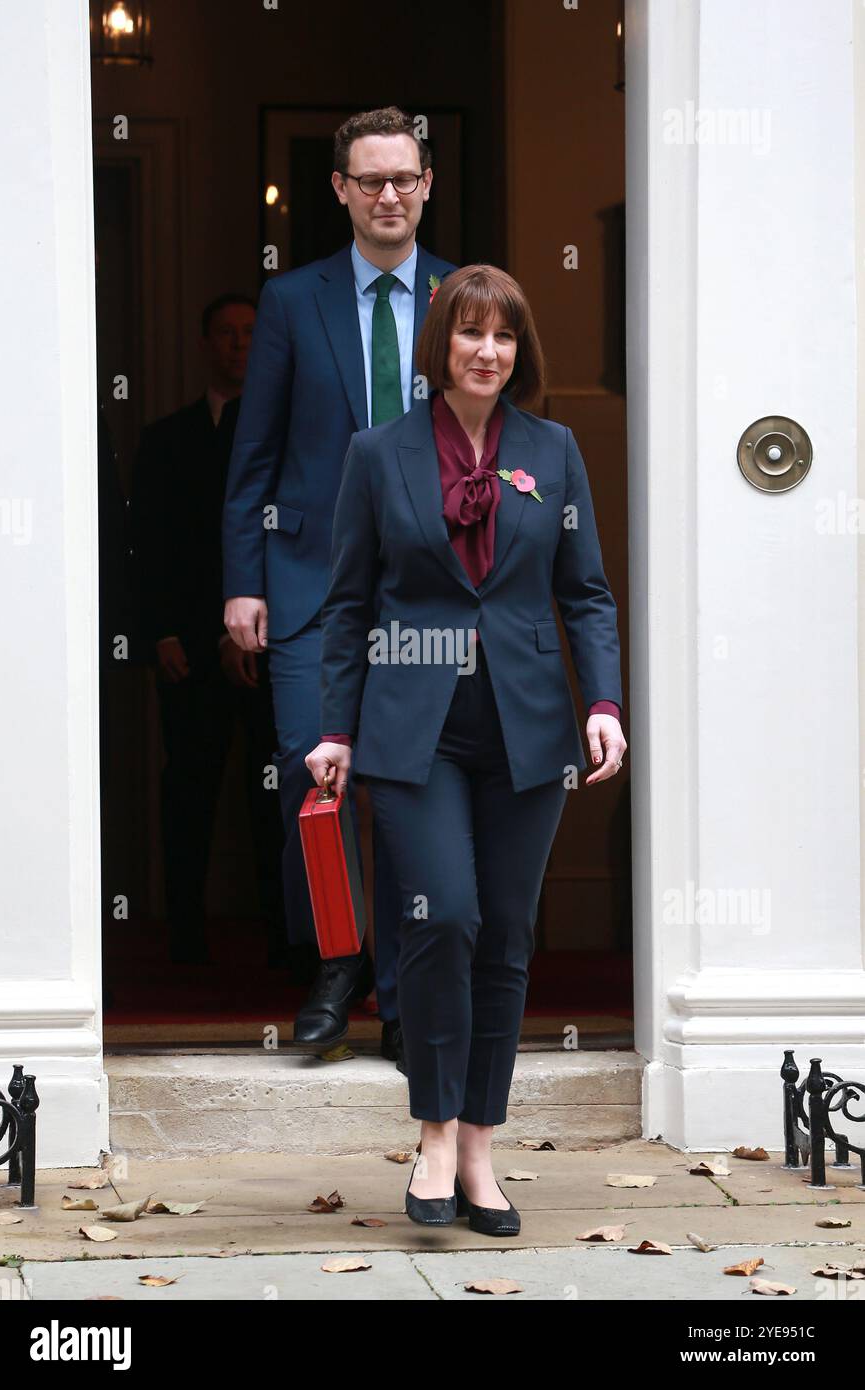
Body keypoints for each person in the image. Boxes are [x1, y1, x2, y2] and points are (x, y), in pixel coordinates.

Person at [305, 265, 627, 1234]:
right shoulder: (379, 453)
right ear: (441, 342)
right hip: (415, 725)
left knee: (508, 935)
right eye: (471, 333)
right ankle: (432, 1129)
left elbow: (586, 591)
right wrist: (335, 724)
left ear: (518, 351)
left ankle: (481, 1146)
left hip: (529, 726)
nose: (488, 351)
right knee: (441, 915)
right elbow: (349, 601)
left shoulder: (554, 450)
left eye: (505, 337)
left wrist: (602, 700)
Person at [222, 107, 455, 1065]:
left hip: (432, 596)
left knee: (407, 787)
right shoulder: (291, 300)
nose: (388, 196)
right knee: (308, 782)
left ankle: (402, 999)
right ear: (340, 191)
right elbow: (255, 453)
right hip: (307, 581)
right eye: (369, 181)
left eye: (403, 178)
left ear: (427, 183)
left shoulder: (460, 298)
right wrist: (243, 581)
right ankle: (334, 966)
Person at [131, 293, 286, 967]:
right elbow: (148, 544)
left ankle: (287, 943)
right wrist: (161, 631)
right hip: (189, 649)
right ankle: (185, 944)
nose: (238, 344)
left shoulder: (288, 440)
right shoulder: (166, 440)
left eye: (250, 332)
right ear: (205, 344)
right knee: (189, 791)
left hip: (272, 650)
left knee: (272, 795)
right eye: (225, 333)